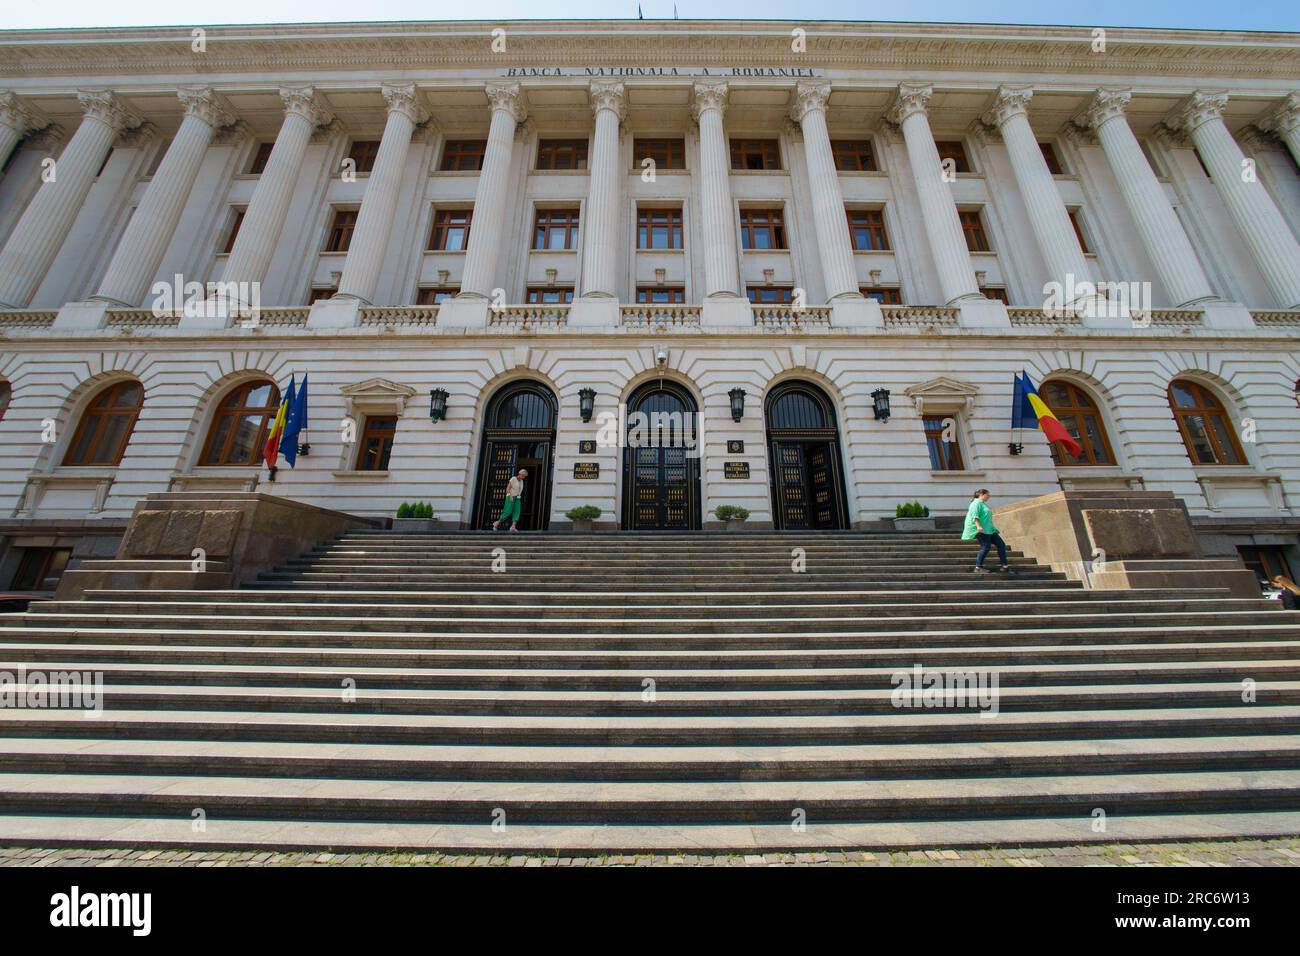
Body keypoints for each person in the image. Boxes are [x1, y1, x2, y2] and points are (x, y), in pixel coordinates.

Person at [962, 488, 1012, 574]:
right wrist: (978, 526)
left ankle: (1005, 566)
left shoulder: (983, 504)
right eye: (987, 495)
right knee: (986, 547)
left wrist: (993, 528)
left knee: (1001, 545)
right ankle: (978, 567)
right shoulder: (976, 503)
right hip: (981, 529)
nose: (989, 496)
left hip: (989, 530)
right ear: (981, 495)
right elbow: (975, 516)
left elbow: (986, 518)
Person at [492, 468, 528, 532]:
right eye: (523, 476)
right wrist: (510, 495)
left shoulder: (521, 481)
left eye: (524, 476)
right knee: (508, 511)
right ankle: (497, 523)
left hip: (518, 498)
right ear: (520, 474)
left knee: (517, 511)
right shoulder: (513, 479)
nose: (523, 477)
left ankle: (513, 526)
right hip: (510, 496)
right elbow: (508, 488)